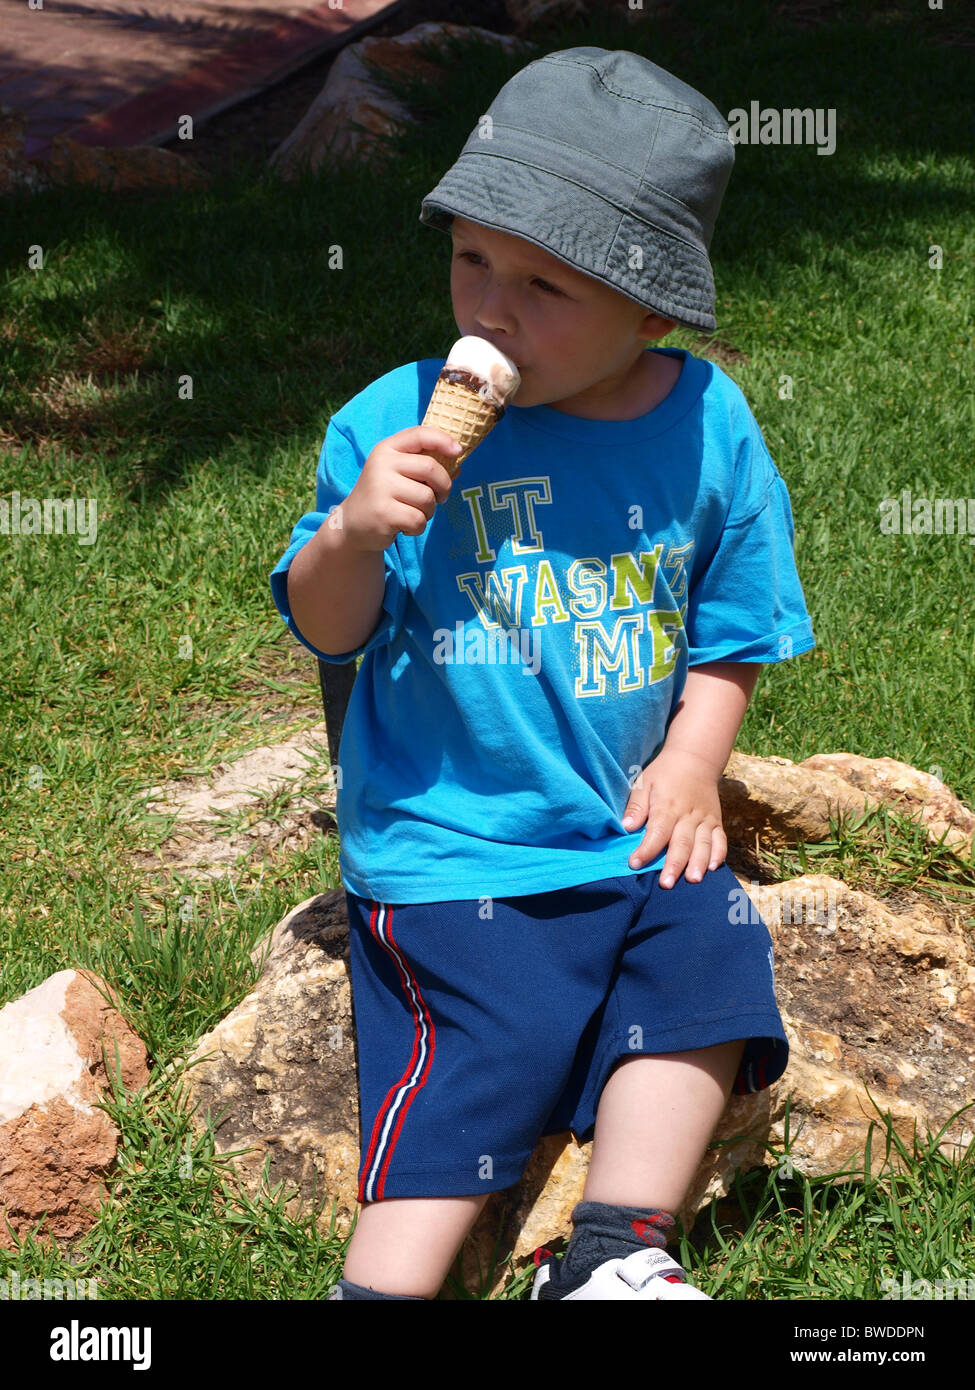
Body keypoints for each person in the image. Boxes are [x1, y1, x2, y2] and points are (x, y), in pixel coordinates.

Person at [270, 48, 815, 1301]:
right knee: (485, 1044)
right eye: (471, 260)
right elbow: (328, 628)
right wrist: (355, 532)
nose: (490, 312)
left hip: (621, 827)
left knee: (713, 964)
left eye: (543, 285)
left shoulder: (707, 427)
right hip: (455, 836)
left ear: (652, 310)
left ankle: (618, 1249)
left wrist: (692, 761)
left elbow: (732, 623)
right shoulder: (388, 420)